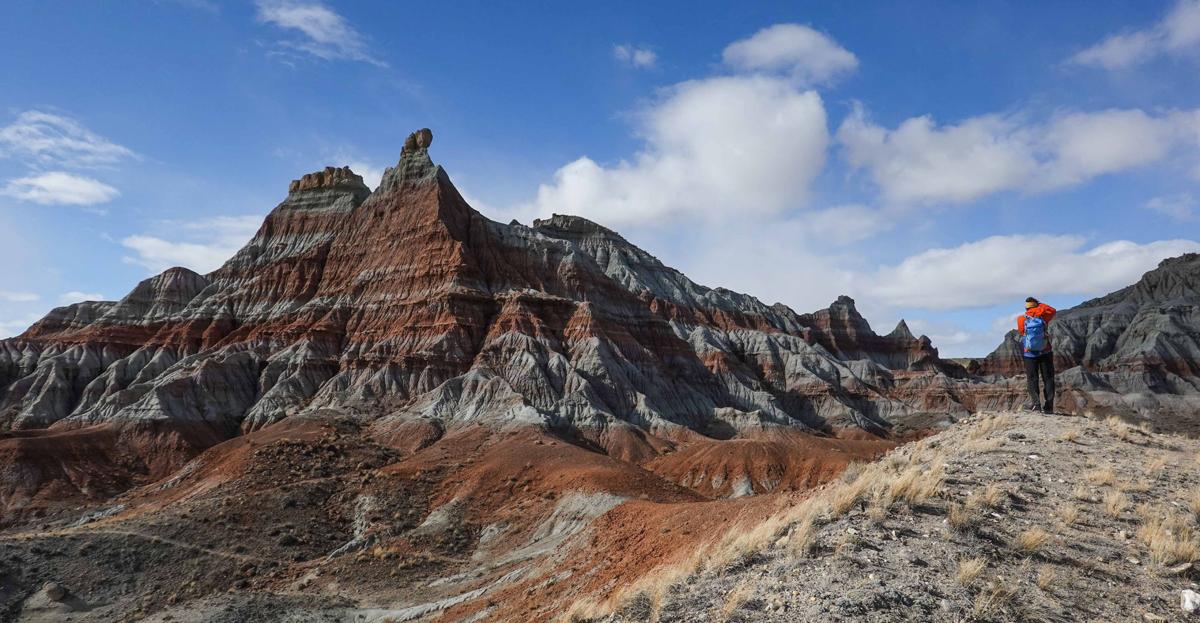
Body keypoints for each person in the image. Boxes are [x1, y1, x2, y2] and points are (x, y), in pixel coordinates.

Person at [1017, 297, 1056, 413]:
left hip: (1029, 353)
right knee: (1048, 379)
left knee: (1032, 379)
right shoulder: (1043, 316)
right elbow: (1052, 310)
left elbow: (1021, 332)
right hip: (1046, 351)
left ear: (1026, 307)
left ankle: (1036, 405)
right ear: (1036, 305)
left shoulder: (1021, 319)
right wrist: (1040, 306)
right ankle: (1049, 407)